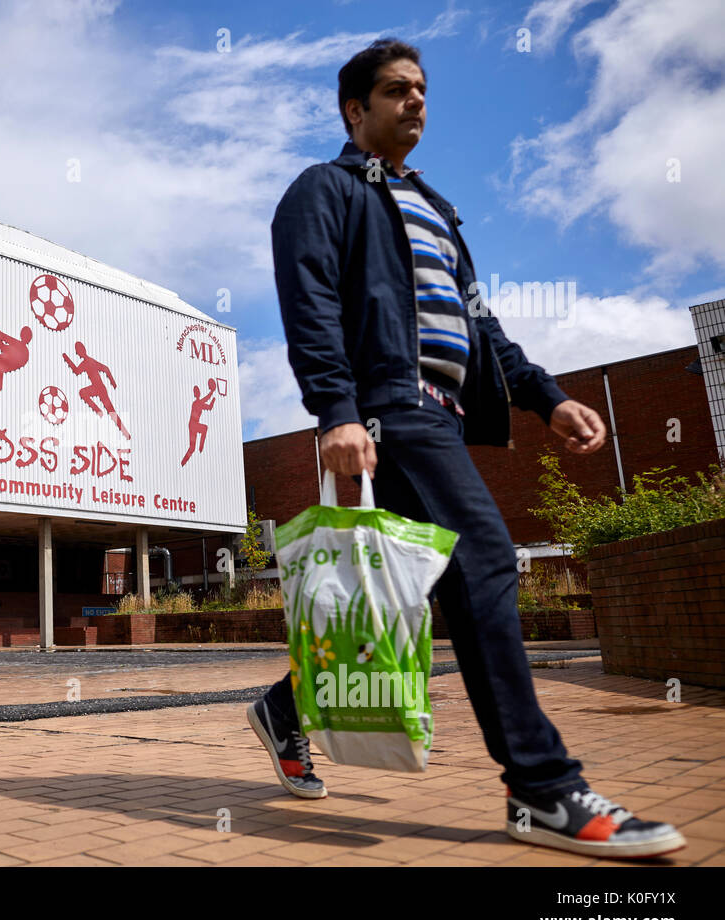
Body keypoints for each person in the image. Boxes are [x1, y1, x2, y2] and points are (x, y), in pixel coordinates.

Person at [248, 38, 685, 859]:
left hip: (442, 415)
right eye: (396, 90)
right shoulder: (324, 191)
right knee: (484, 558)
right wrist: (336, 409)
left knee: (409, 597)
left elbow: (480, 328)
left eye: (422, 90)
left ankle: (286, 709)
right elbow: (307, 300)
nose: (416, 101)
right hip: (388, 410)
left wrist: (546, 398)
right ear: (356, 109)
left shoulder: (438, 211)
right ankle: (543, 789)